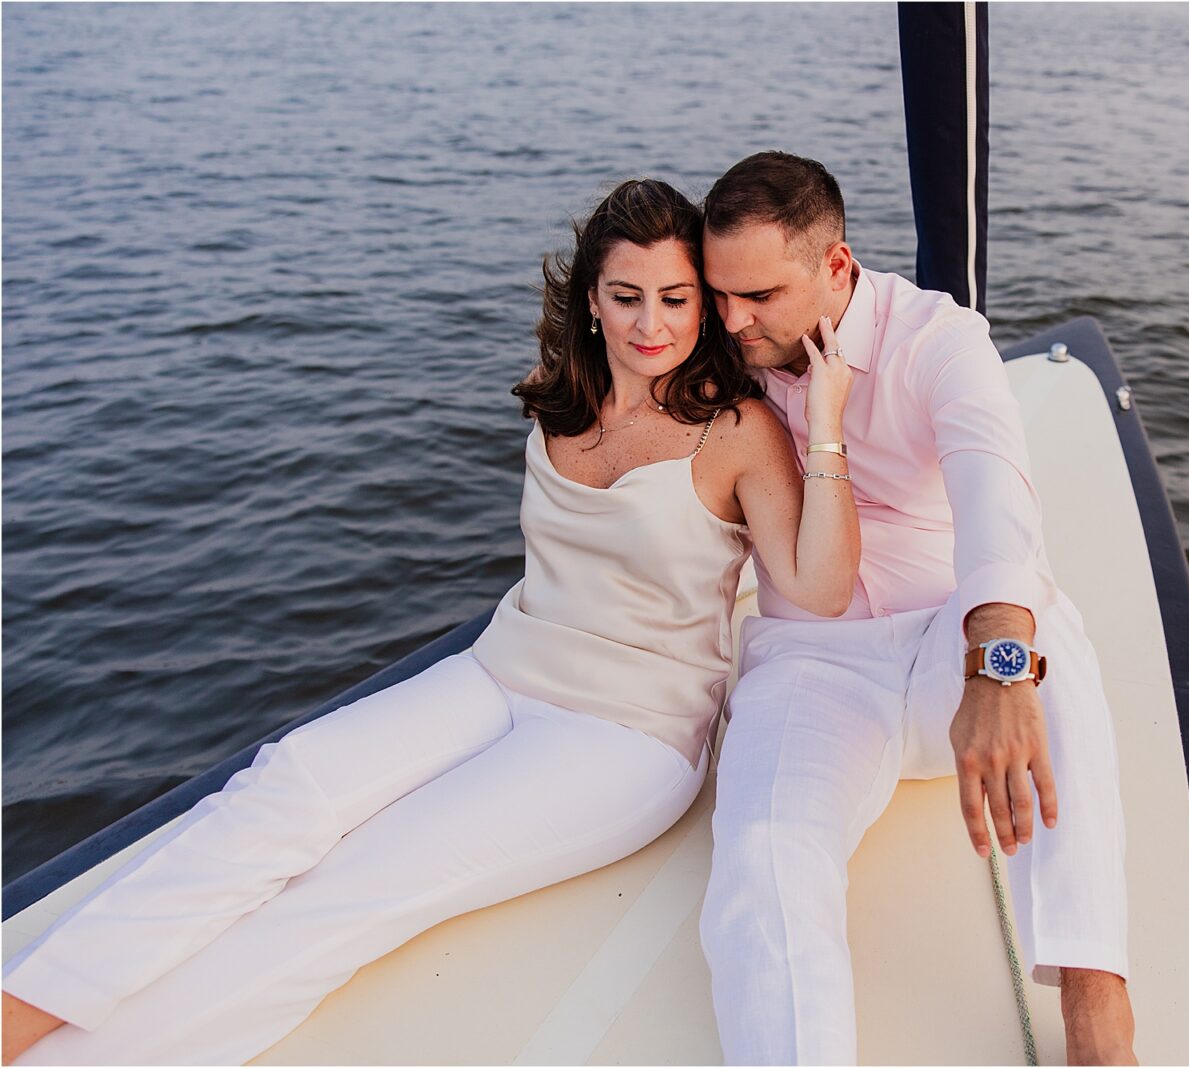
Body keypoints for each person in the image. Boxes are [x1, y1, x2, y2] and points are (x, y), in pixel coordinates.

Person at [0, 177, 861, 1066]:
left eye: (676, 299)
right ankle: (19, 1010)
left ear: (703, 306)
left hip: (628, 733)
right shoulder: (567, 390)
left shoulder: (737, 429)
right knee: (284, 788)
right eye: (626, 296)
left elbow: (821, 586)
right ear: (592, 302)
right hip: (501, 666)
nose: (652, 324)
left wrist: (825, 426)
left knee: (360, 884)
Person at [696, 151, 1138, 1066]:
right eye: (718, 293)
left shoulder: (939, 340)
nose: (731, 321)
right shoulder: (719, 346)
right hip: (810, 664)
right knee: (764, 858)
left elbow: (998, 502)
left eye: (760, 297)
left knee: (1044, 632)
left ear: (838, 267)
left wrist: (996, 666)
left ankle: (1098, 1015)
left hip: (949, 651)